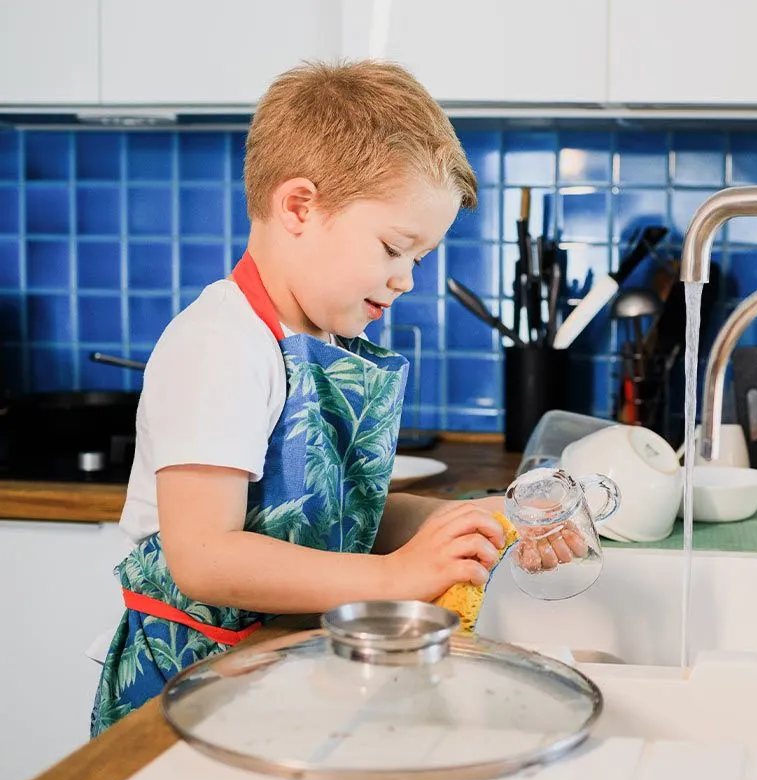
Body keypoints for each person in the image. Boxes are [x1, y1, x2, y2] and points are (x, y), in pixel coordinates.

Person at [89, 60, 515, 736]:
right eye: (394, 248)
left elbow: (337, 517)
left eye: (419, 259)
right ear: (299, 207)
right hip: (195, 687)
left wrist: (466, 524)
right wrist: (398, 577)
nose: (406, 280)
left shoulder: (315, 341)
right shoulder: (220, 344)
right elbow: (205, 557)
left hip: (283, 672)